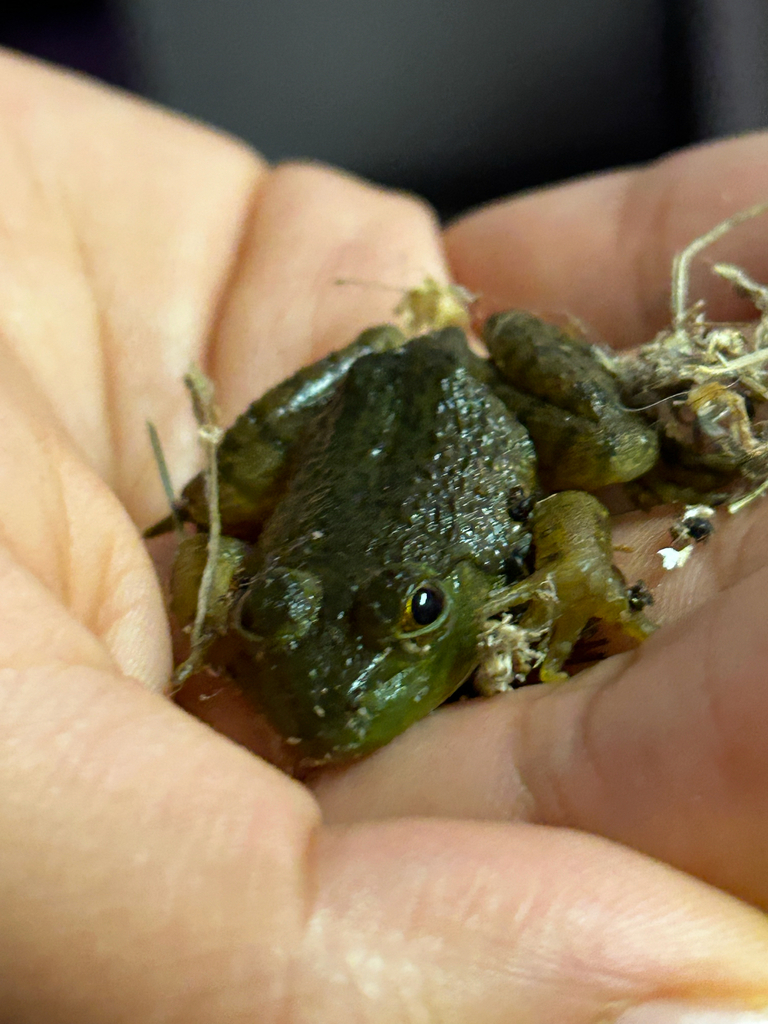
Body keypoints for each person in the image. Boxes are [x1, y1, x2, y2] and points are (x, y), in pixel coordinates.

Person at [2, 46, 768, 1024]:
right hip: (361, 410)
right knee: (227, 489)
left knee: (613, 449)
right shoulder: (266, 582)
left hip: (487, 404)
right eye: (267, 613)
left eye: (415, 616)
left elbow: (572, 508)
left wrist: (585, 583)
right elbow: (225, 544)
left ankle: (422, 364)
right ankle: (364, 375)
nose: (329, 693)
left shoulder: (469, 548)